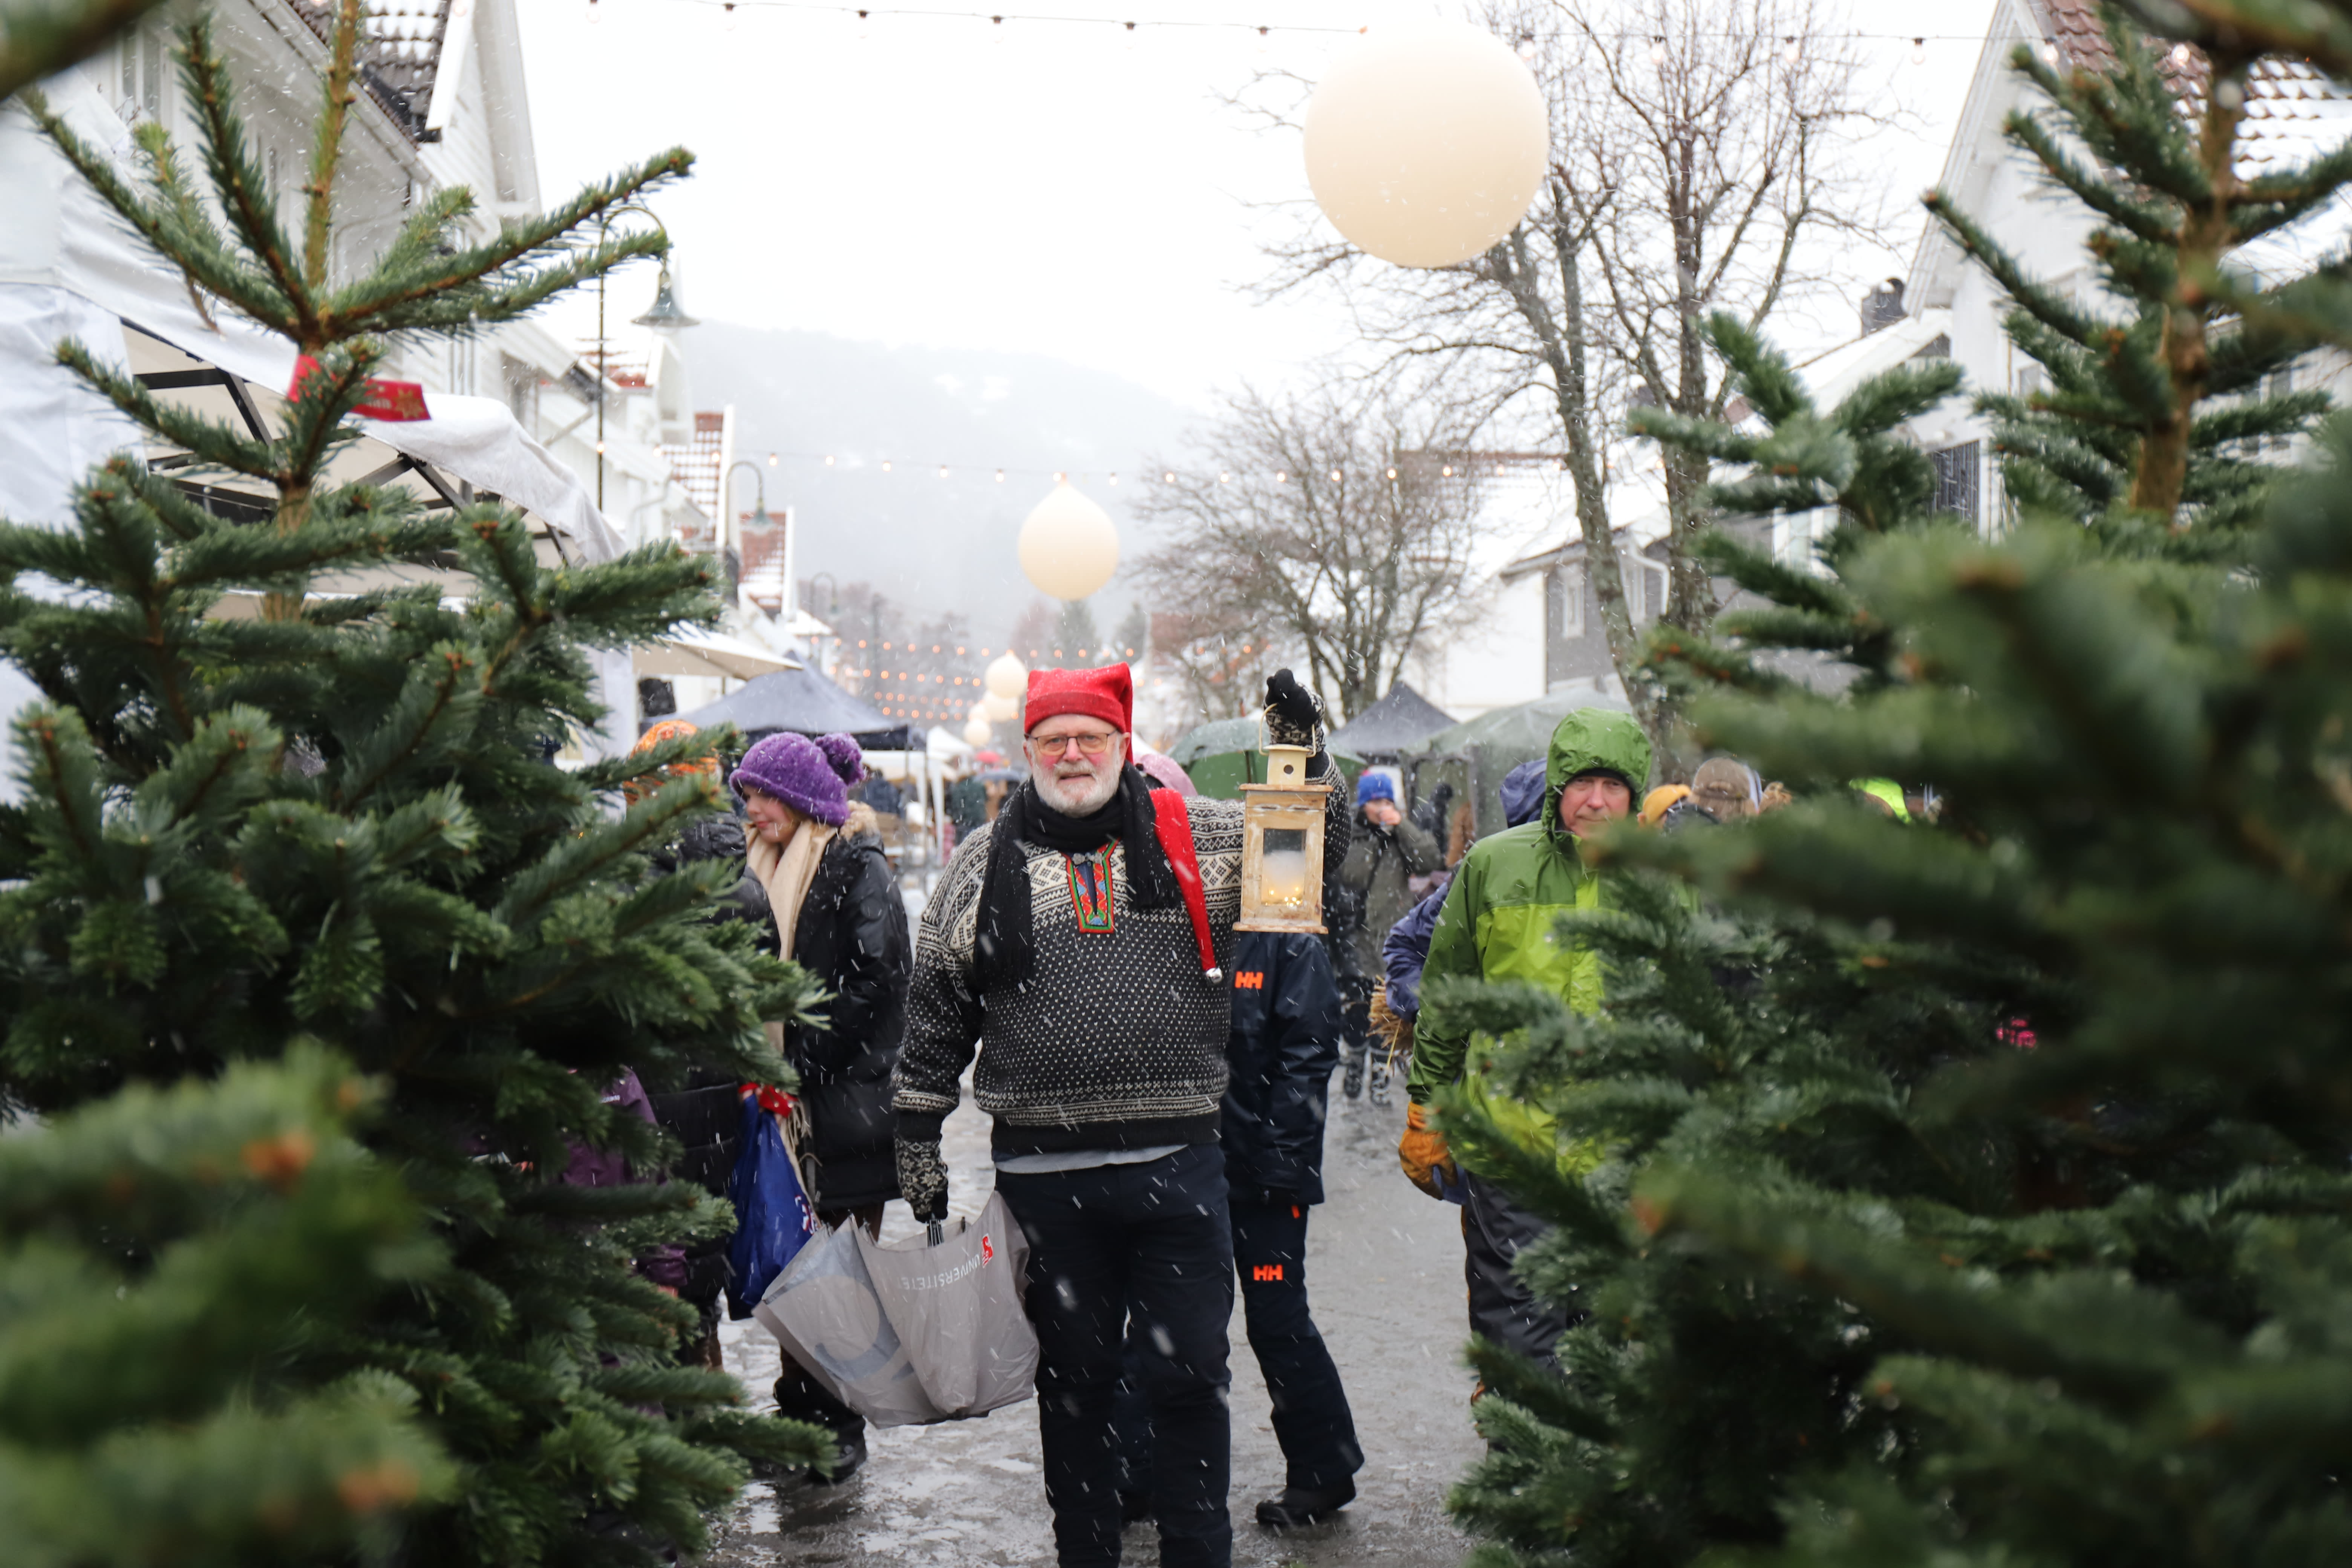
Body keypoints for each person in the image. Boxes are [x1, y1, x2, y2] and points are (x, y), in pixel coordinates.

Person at [892, 664, 1349, 1568]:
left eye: (1089, 737)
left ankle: (1196, 1554)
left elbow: (1294, 877)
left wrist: (1298, 761)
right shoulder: (980, 863)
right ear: (1027, 754)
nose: (1072, 755)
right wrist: (915, 1130)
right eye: (1052, 740)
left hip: (1176, 1165)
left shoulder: (1198, 837)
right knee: (1075, 1392)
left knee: (1189, 1383)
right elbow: (936, 1007)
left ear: (1121, 744)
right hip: (1042, 1183)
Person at [1399, 709, 1650, 1372]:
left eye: (1612, 785)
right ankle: (1520, 1469)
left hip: (1619, 1165)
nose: (1595, 801)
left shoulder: (1668, 885)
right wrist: (1426, 1105)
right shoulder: (1492, 867)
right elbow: (1448, 997)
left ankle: (1592, 1475)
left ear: (1636, 793)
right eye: (1580, 784)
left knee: (1607, 1349)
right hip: (1508, 1153)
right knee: (1522, 1343)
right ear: (1557, 788)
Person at [1114, 920, 1363, 1532]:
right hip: (1183, 1171)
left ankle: (1322, 1471)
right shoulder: (1172, 924)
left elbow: (1308, 1056)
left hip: (1264, 1185)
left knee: (1277, 1319)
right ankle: (1129, 1472)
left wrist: (1278, 1165)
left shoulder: (1288, 942)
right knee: (1165, 1317)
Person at [730, 729, 911, 1481]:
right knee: (792, 1265)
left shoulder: (853, 863)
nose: (754, 806)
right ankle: (798, 1413)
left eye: (766, 793)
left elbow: (880, 978)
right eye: (747, 792)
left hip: (846, 1108)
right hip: (785, 1102)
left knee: (836, 1269)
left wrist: (803, 1059)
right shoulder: (762, 862)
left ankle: (837, 1424)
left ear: (804, 800)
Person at [628, 718, 770, 1369]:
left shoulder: (629, 880)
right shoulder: (744, 883)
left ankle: (675, 1408)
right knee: (701, 1254)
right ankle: (704, 1385)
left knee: (651, 1256)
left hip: (642, 1094)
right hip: (716, 1097)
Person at [1330, 772, 1440, 1104]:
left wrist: (1401, 827)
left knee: (1385, 1015)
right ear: (1364, 804)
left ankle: (1379, 1080)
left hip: (1389, 940)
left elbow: (1431, 861)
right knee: (1355, 1012)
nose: (1383, 807)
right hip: (1354, 938)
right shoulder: (1349, 835)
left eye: (1388, 801)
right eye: (1377, 801)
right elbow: (1348, 874)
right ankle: (1354, 1063)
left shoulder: (1401, 837)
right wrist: (1375, 841)